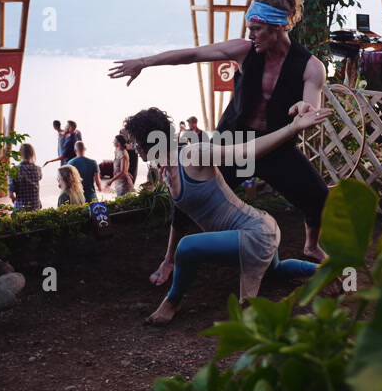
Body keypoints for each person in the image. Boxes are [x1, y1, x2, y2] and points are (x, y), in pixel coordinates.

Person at [108, 0, 330, 287]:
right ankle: (170, 258)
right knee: (187, 196)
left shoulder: (311, 67)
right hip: (232, 142)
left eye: (256, 29)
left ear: (277, 28)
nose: (250, 35)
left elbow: (310, 106)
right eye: (250, 28)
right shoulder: (244, 51)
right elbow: (194, 54)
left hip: (276, 146)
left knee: (318, 196)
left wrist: (305, 108)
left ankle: (311, 245)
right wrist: (145, 63)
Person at [123, 106, 330, 325]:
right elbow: (180, 217)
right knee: (276, 270)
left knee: (187, 247)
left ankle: (171, 304)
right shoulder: (168, 171)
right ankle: (339, 273)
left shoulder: (193, 154)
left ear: (149, 140)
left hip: (256, 232)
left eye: (136, 142)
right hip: (250, 234)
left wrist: (293, 127)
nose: (133, 147)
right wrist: (168, 260)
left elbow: (246, 151)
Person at [9, 143, 42, 212]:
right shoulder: (38, 169)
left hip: (21, 208)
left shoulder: (15, 170)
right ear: (32, 154)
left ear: (20, 154)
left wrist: (16, 202)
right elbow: (39, 178)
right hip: (36, 206)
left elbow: (11, 195)